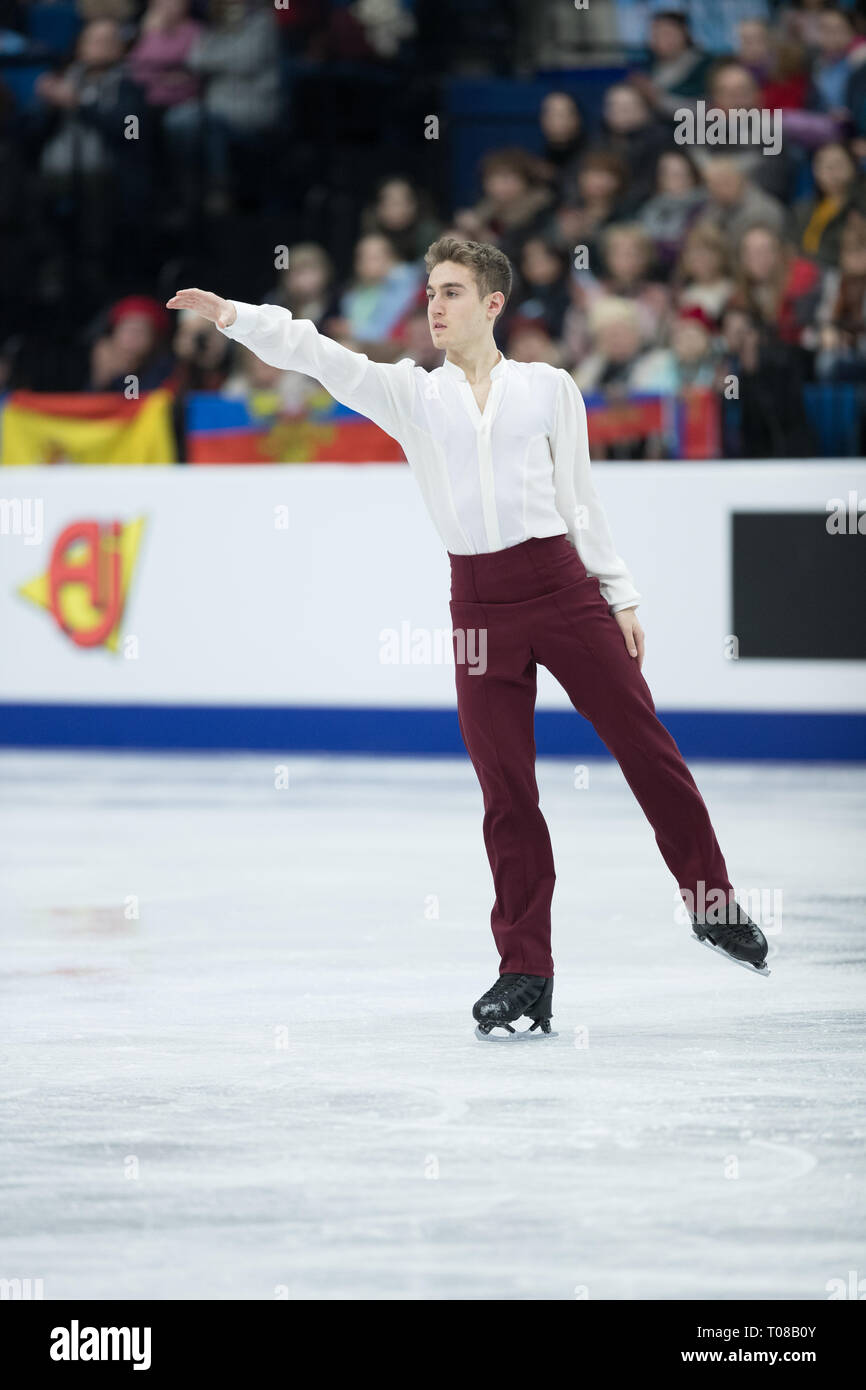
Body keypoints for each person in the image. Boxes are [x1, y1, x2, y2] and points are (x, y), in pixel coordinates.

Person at [166, 238, 769, 1040]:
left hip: (564, 588)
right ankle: (526, 971)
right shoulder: (414, 397)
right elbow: (319, 356)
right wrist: (237, 318)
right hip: (478, 605)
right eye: (429, 293)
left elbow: (579, 498)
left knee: (646, 747)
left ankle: (712, 902)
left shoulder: (549, 389)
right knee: (506, 792)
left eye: (452, 291)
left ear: (493, 304)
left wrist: (617, 591)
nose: (435, 306)